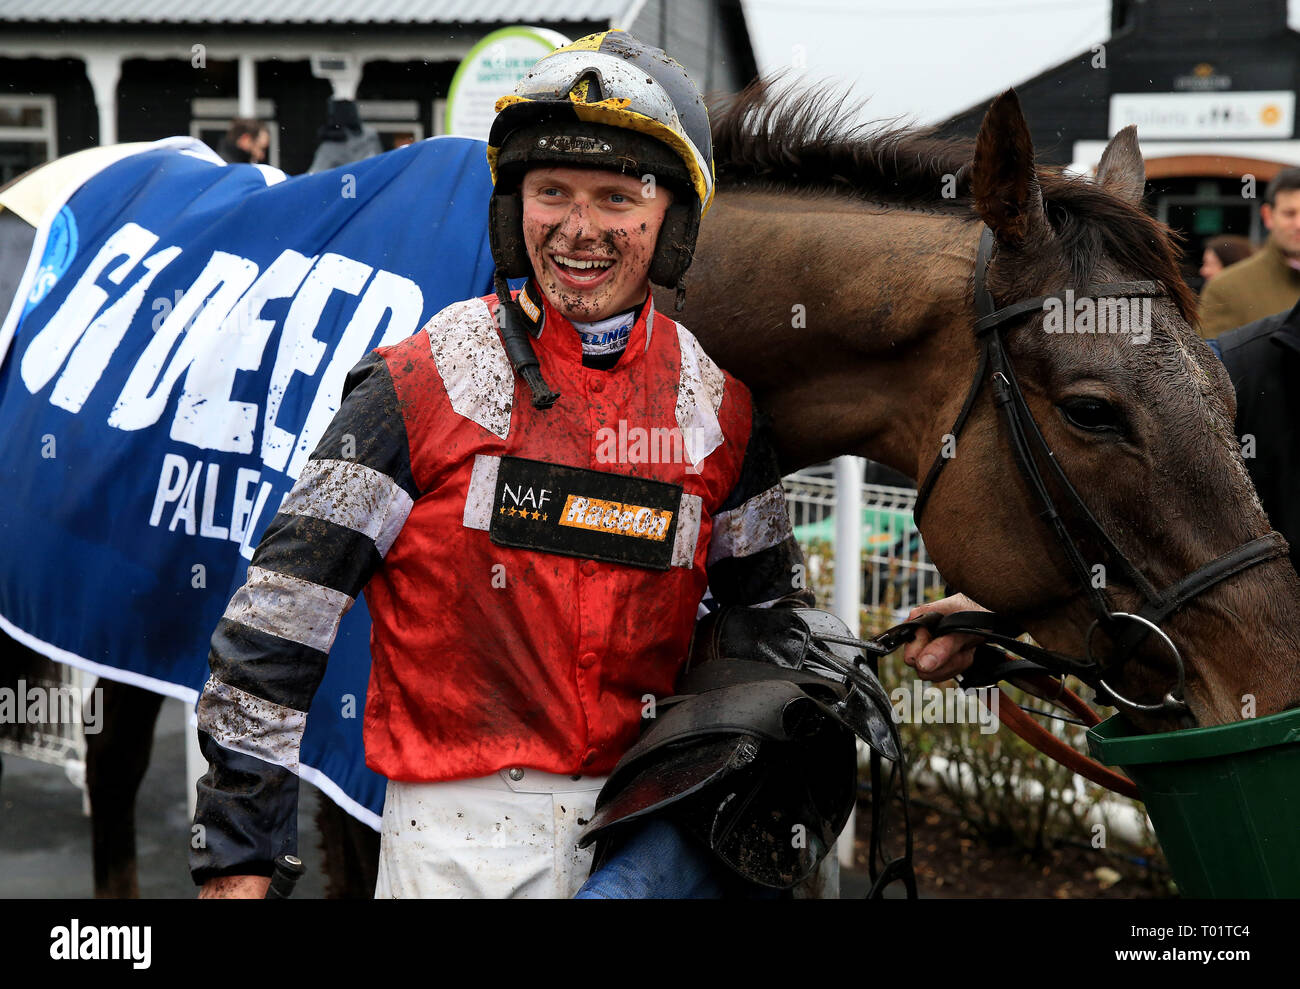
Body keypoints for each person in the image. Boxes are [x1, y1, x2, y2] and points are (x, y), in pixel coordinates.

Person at [190, 29, 824, 899]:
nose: (578, 228)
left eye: (616, 198)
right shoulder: (412, 384)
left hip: (644, 845)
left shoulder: (721, 413)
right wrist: (239, 856)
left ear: (670, 220)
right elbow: (274, 625)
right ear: (511, 207)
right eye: (551, 190)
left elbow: (772, 631)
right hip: (454, 857)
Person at [1199, 169, 1300, 338]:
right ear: (1268, 216)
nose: (1298, 224)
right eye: (1289, 214)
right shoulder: (1225, 289)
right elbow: (1204, 361)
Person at [307, 99, 383, 173]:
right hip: (344, 182)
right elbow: (315, 173)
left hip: (366, 181)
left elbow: (379, 165)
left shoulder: (370, 136)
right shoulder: (329, 146)